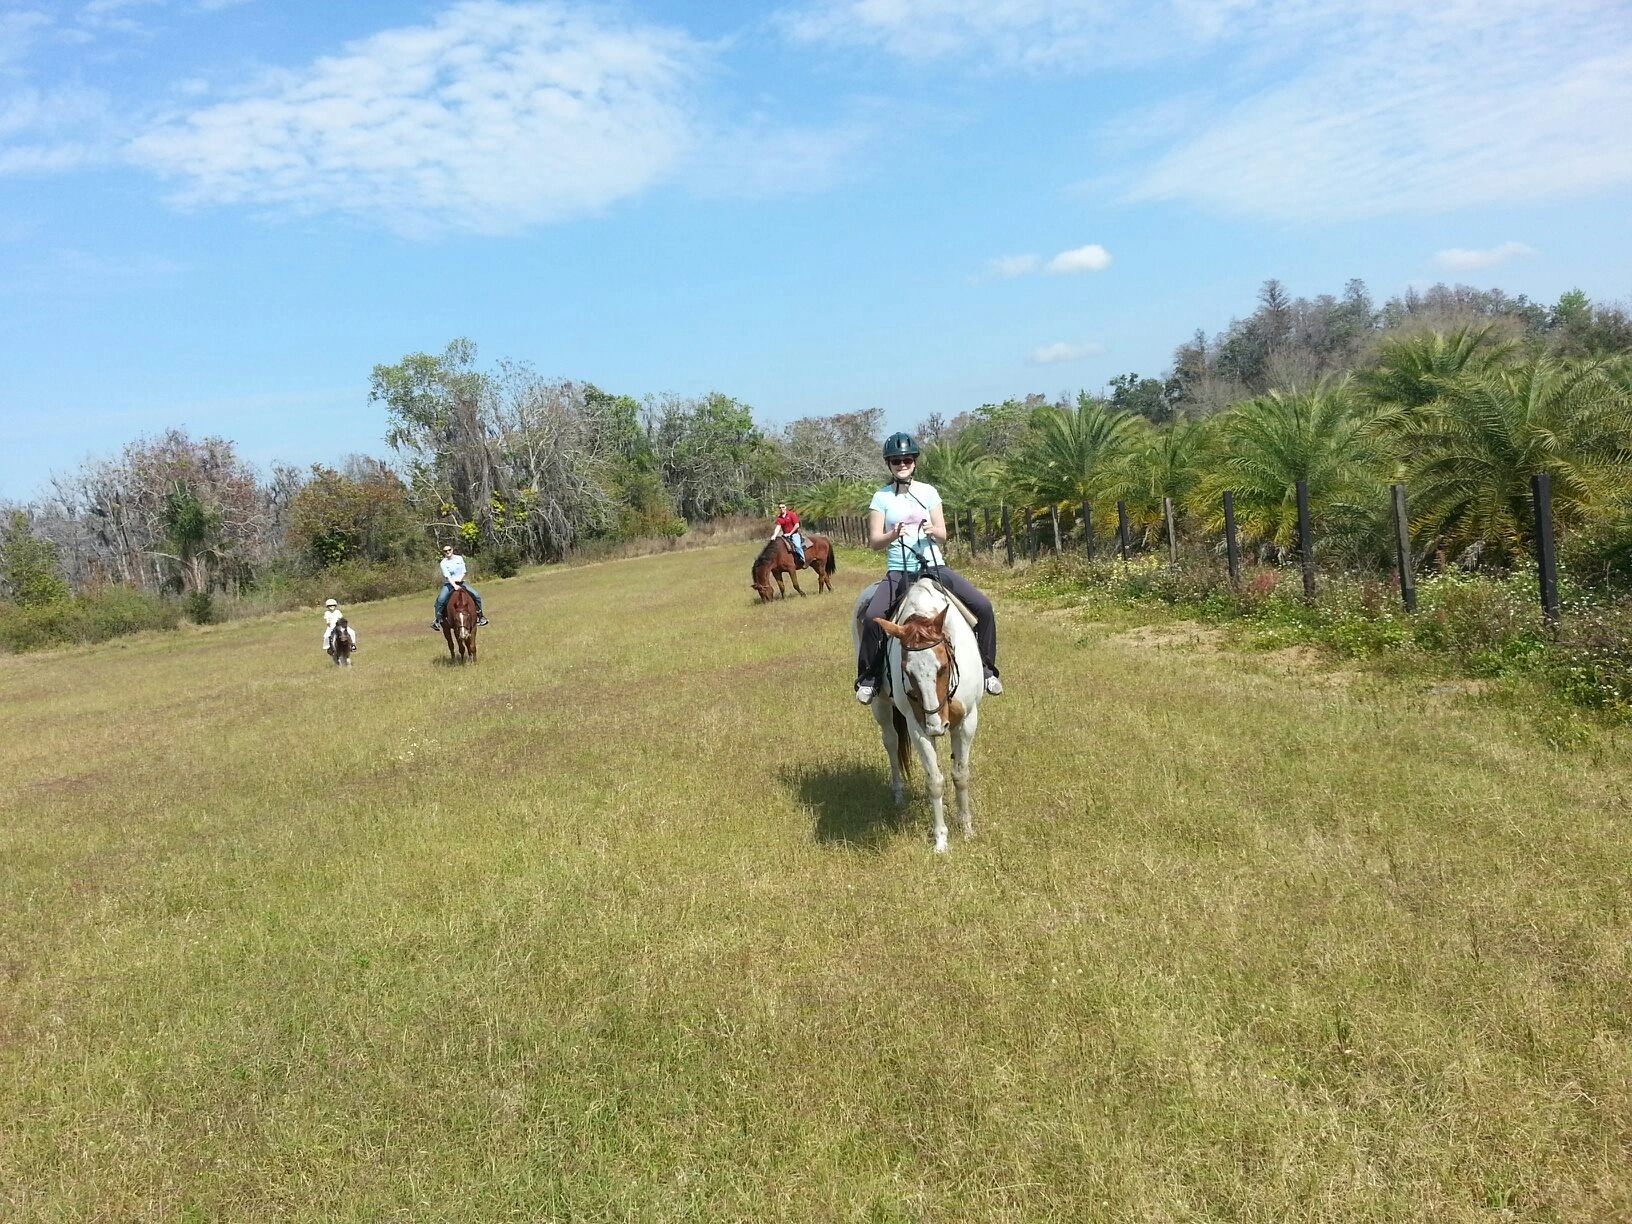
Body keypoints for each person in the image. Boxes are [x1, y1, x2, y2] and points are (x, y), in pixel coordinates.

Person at [854, 432, 1002, 704]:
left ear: (915, 462)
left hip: (934, 566)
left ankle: (987, 670)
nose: (902, 464)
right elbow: (875, 542)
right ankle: (869, 678)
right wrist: (891, 535)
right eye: (897, 460)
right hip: (899, 570)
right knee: (873, 617)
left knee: (983, 607)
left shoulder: (929, 492)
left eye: (907, 459)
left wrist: (934, 530)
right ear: (889, 463)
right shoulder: (881, 498)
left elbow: (944, 534)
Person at [433, 543, 488, 630]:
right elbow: (447, 576)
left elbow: (464, 571)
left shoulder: (459, 558)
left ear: (452, 549)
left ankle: (480, 616)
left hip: (461, 582)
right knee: (441, 599)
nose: (448, 552)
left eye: (449, 550)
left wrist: (460, 579)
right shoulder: (443, 563)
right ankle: (437, 620)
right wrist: (454, 585)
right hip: (449, 584)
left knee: (476, 595)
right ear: (443, 552)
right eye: (445, 551)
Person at [773, 501, 806, 565]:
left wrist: (790, 533)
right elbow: (778, 527)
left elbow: (797, 525)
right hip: (785, 535)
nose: (782, 509)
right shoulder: (779, 518)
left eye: (783, 507)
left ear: (785, 507)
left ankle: (803, 559)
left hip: (794, 534)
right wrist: (774, 535)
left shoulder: (791, 514)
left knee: (797, 546)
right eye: (780, 508)